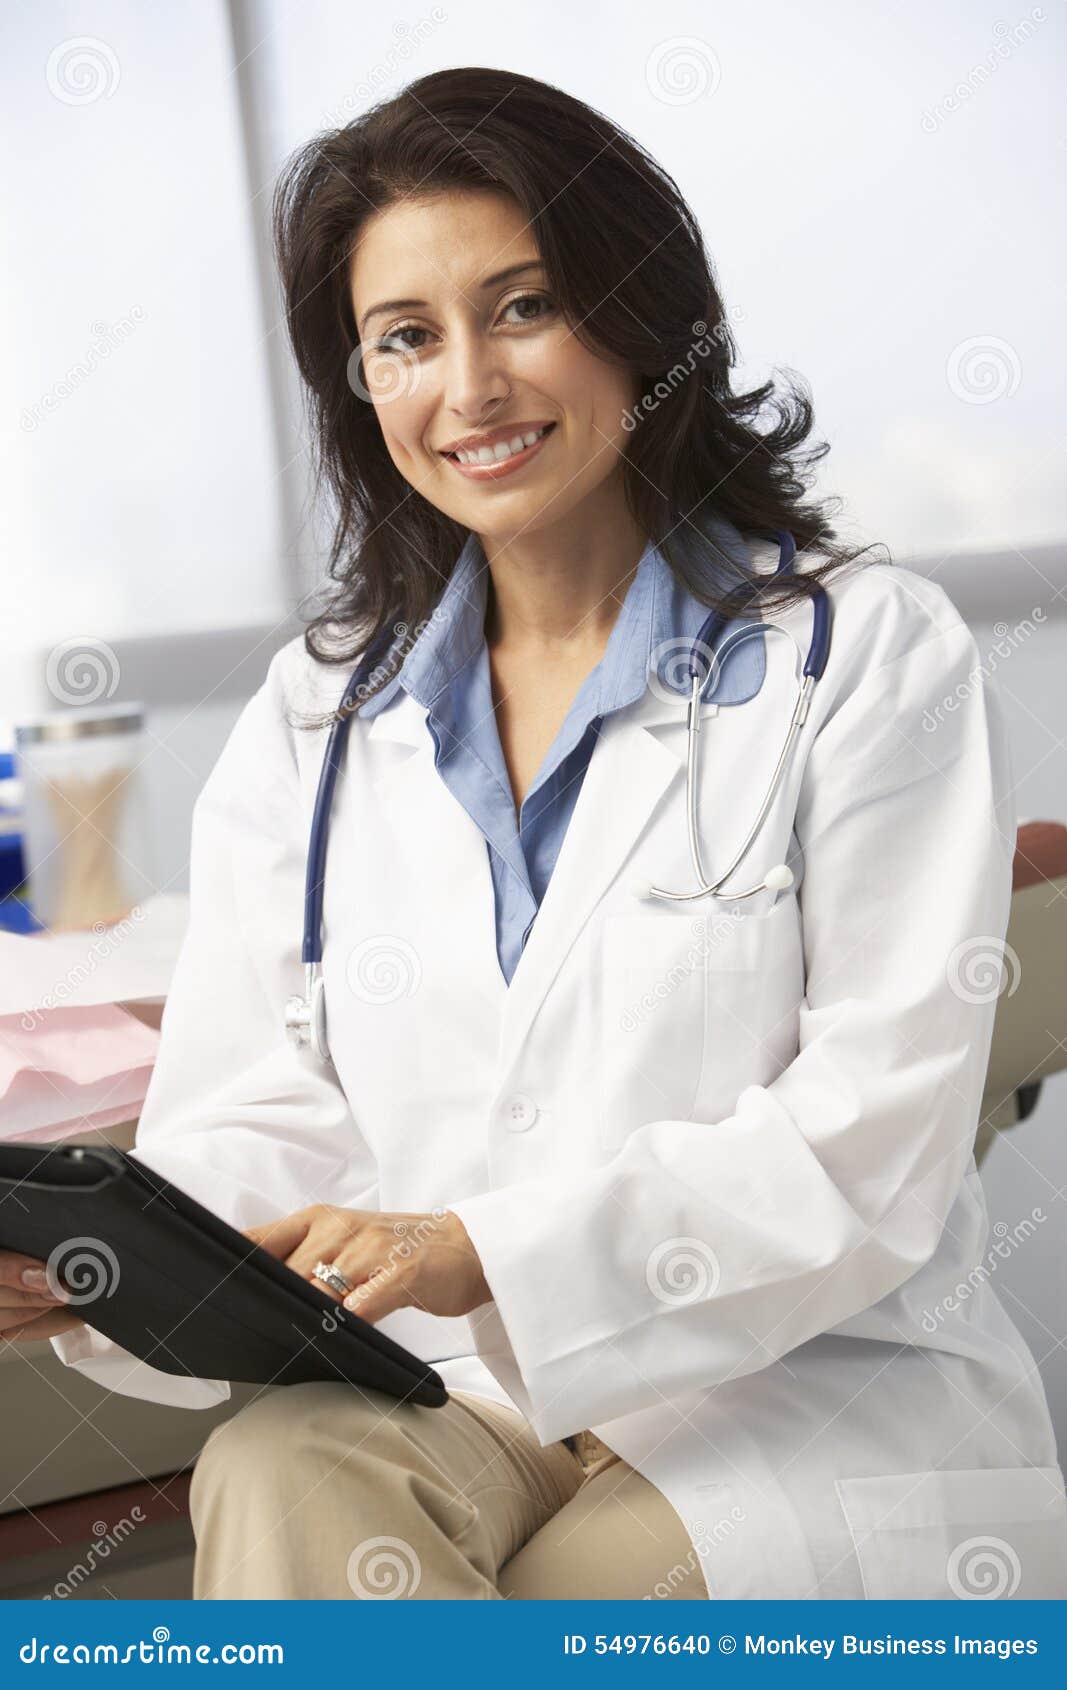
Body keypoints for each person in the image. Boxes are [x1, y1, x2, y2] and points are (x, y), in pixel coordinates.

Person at [7, 67, 1065, 1602]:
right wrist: (98, 1267)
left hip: (804, 1398)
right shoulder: (316, 716)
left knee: (544, 1606)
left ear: (639, 315)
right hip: (464, 1391)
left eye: (522, 307)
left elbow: (871, 1138)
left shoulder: (867, 655)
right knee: (273, 1465)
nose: (470, 388)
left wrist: (483, 1248)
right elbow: (262, 1111)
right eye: (406, 340)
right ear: (360, 388)